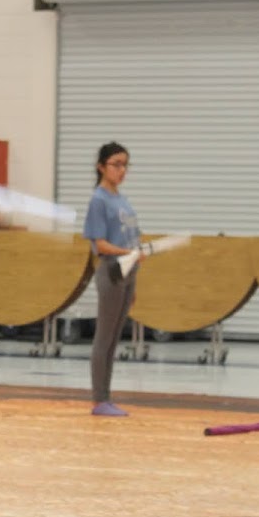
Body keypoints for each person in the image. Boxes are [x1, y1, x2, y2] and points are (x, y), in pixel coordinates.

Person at [82, 142, 142, 417]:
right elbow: (100, 244)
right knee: (104, 337)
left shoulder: (122, 200)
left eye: (125, 164)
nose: (122, 170)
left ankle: (107, 396)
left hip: (128, 271)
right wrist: (128, 253)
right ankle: (99, 398)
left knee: (115, 336)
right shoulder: (99, 200)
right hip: (111, 270)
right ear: (101, 167)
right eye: (116, 164)